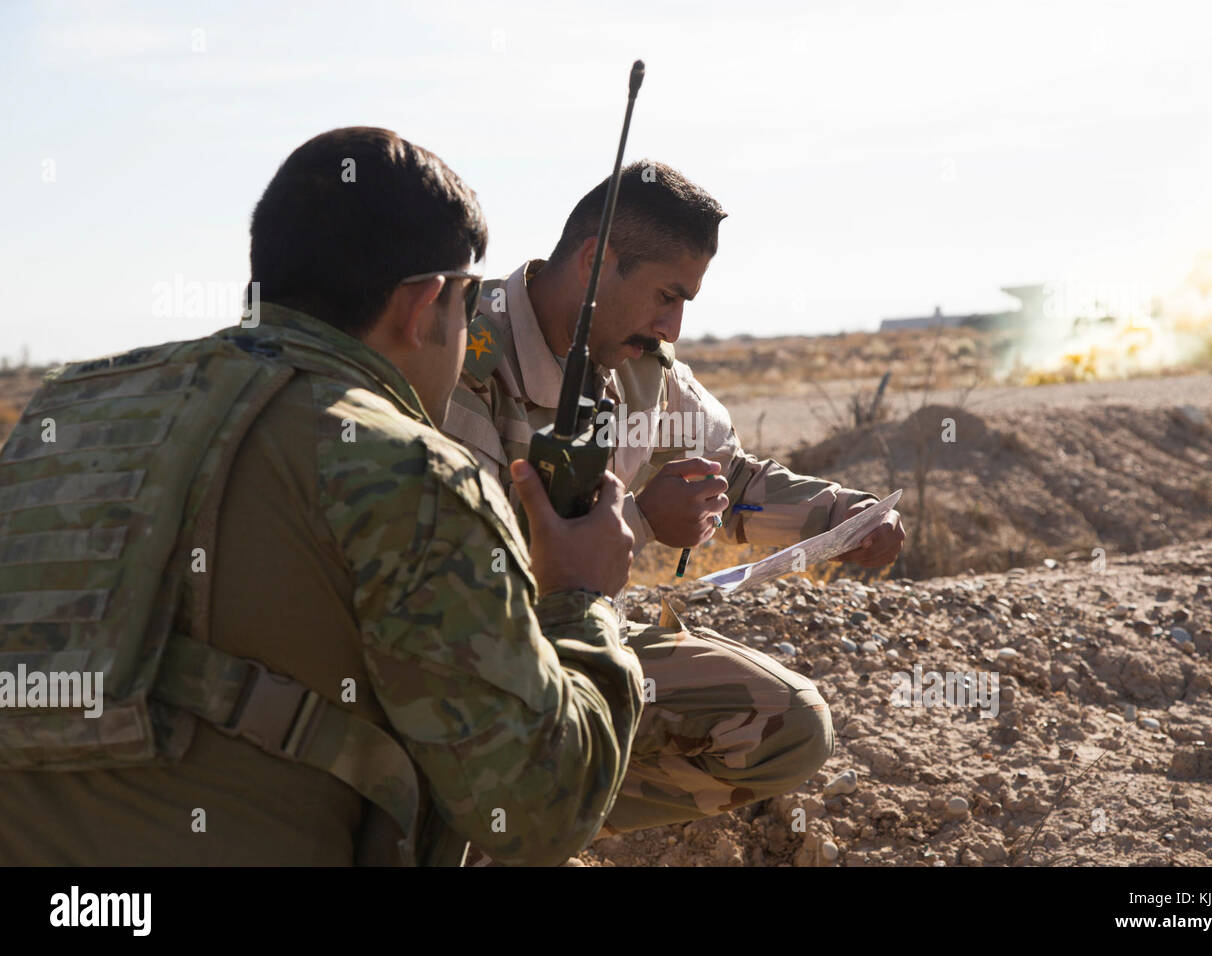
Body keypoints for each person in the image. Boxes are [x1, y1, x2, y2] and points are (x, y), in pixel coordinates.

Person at [0, 127, 643, 867]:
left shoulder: (69, 413)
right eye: (466, 305)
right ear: (424, 302)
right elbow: (536, 814)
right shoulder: (413, 472)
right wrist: (579, 598)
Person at [445, 160, 905, 840]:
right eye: (666, 295)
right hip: (461, 657)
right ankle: (478, 827)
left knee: (789, 725)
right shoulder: (458, 354)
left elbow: (732, 479)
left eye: (686, 300)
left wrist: (842, 517)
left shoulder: (639, 367)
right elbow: (464, 577)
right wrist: (638, 521)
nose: (674, 327)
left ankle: (531, 828)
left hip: (575, 642)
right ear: (596, 260)